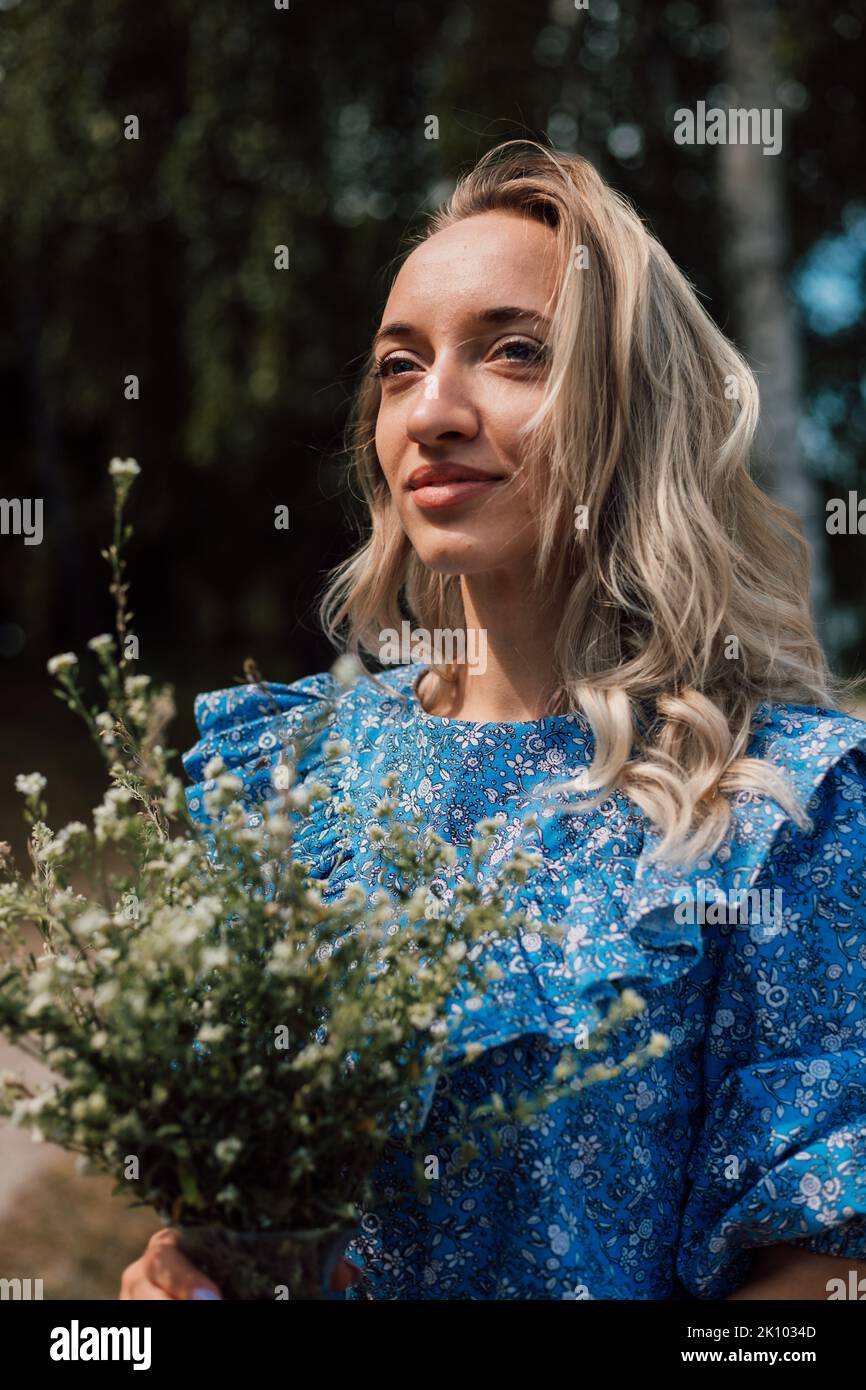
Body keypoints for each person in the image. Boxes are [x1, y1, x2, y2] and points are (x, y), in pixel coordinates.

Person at [119, 140, 866, 1301]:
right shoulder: (291, 775)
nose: (433, 410)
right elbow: (238, 1195)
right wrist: (178, 1280)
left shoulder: (782, 802)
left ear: (634, 406)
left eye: (512, 351)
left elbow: (819, 1270)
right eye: (398, 366)